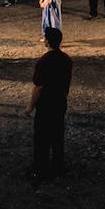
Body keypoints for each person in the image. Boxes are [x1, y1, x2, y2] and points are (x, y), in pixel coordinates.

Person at [24, 28, 73, 180]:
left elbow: (38, 86)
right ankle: (58, 166)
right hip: (59, 101)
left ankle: (40, 168)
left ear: (48, 41)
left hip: (46, 103)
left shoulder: (44, 62)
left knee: (41, 138)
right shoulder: (66, 59)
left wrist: (30, 106)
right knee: (58, 135)